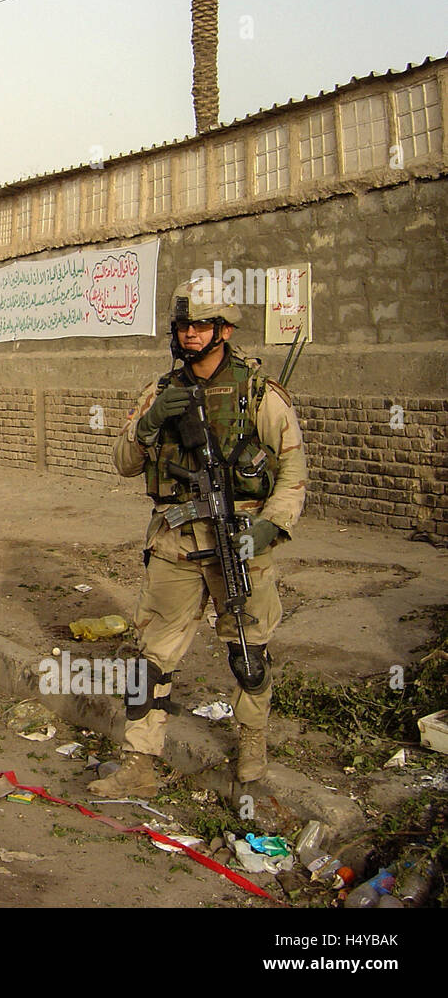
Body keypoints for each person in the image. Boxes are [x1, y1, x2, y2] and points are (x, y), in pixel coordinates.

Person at [87, 276, 307, 797]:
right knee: (151, 655)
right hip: (176, 541)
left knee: (248, 653)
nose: (190, 334)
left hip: (240, 541)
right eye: (184, 324)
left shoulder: (259, 393)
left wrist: (270, 526)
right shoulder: (160, 392)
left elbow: (294, 469)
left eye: (202, 324)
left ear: (225, 330)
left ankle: (251, 754)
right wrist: (147, 426)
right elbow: (122, 463)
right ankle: (139, 764)